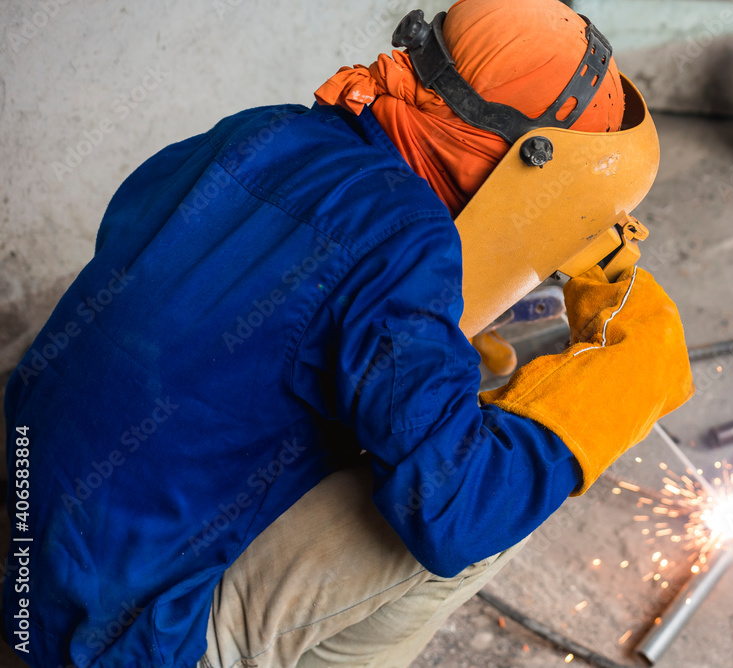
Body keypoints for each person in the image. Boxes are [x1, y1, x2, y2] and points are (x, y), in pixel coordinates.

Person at [2, 1, 694, 666]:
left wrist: (404, 345)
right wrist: (608, 395)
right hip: (115, 639)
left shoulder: (261, 129)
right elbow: (457, 512)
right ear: (526, 160)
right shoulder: (407, 241)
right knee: (490, 505)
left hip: (27, 540)